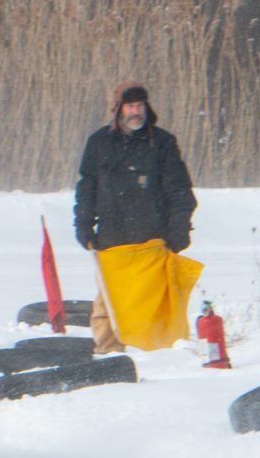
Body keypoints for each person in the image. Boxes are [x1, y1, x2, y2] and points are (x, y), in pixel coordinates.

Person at [73, 82, 197, 352]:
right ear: (118, 109)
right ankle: (108, 355)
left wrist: (179, 229)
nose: (135, 112)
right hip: (112, 241)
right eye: (130, 106)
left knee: (153, 304)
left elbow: (179, 191)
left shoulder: (163, 143)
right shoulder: (99, 143)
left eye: (140, 105)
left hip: (152, 240)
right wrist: (83, 224)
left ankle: (158, 355)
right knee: (108, 305)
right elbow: (87, 188)